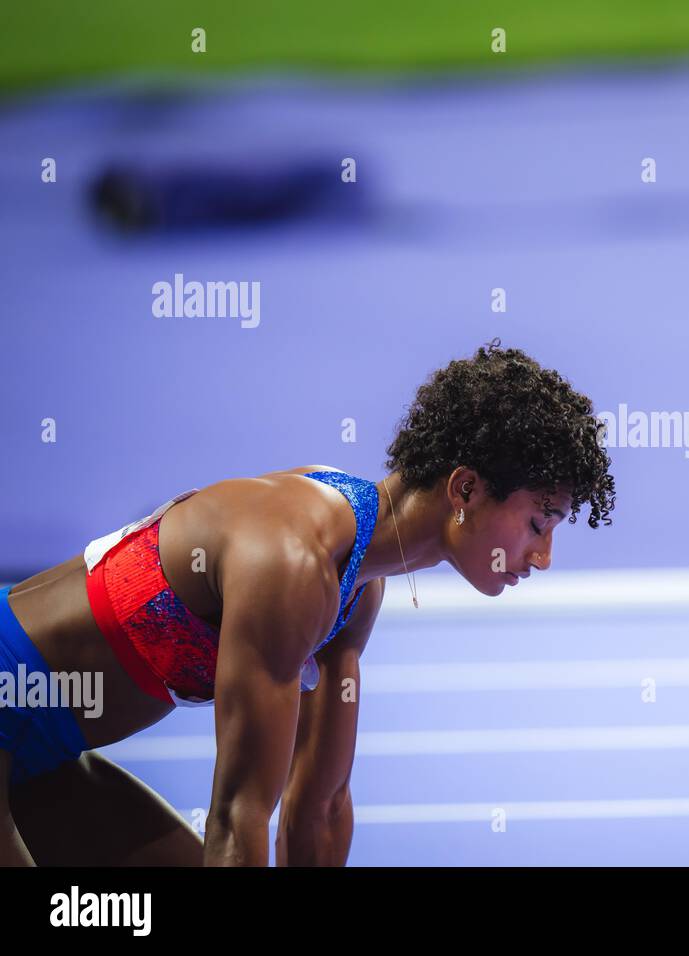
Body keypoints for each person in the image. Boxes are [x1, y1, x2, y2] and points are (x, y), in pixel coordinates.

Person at [0, 339, 615, 866]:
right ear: (465, 488)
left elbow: (319, 807)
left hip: (40, 760)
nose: (544, 557)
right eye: (540, 523)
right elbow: (239, 818)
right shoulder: (292, 565)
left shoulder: (356, 590)